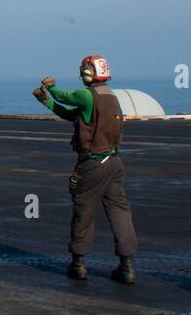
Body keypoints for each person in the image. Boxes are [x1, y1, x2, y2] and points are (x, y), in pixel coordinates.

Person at [33, 55, 138, 284]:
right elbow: (73, 115)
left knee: (84, 211)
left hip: (93, 164)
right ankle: (126, 265)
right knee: (120, 212)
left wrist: (51, 87)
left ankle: (78, 263)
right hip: (114, 162)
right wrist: (46, 102)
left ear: (90, 72)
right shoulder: (111, 96)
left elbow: (65, 98)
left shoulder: (86, 94)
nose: (82, 74)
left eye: (84, 70)